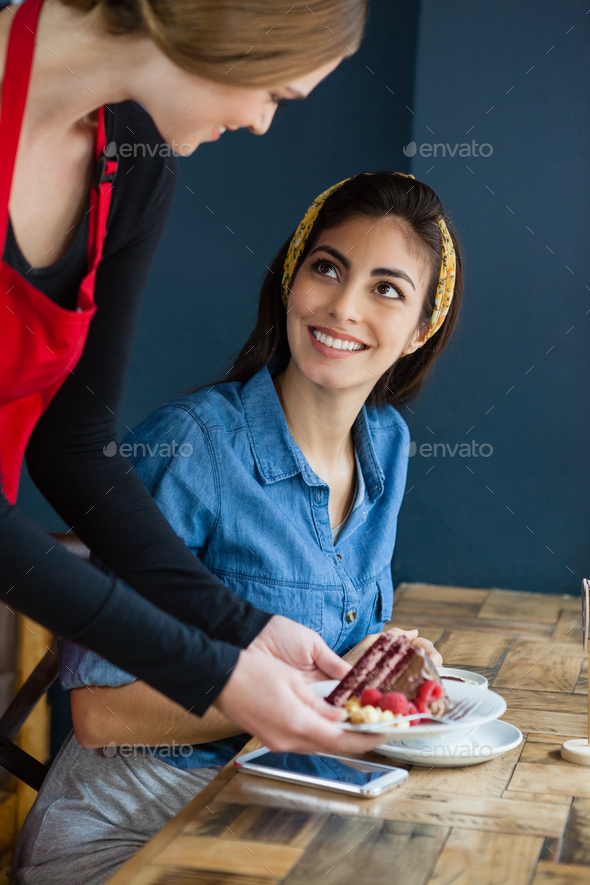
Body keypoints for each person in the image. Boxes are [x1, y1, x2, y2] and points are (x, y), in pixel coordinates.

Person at [11, 170, 462, 885]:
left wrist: (376, 661)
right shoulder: (192, 446)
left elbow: (324, 637)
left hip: (275, 808)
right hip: (129, 833)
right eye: (327, 268)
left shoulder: (388, 445)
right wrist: (308, 696)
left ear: (420, 330)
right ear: (291, 279)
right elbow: (101, 714)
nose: (344, 307)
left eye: (386, 289)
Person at [0, 0, 381, 754]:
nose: (263, 124)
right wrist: (215, 674)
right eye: (276, 95)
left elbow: (74, 447)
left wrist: (246, 627)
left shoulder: (132, 165)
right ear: (227, 29)